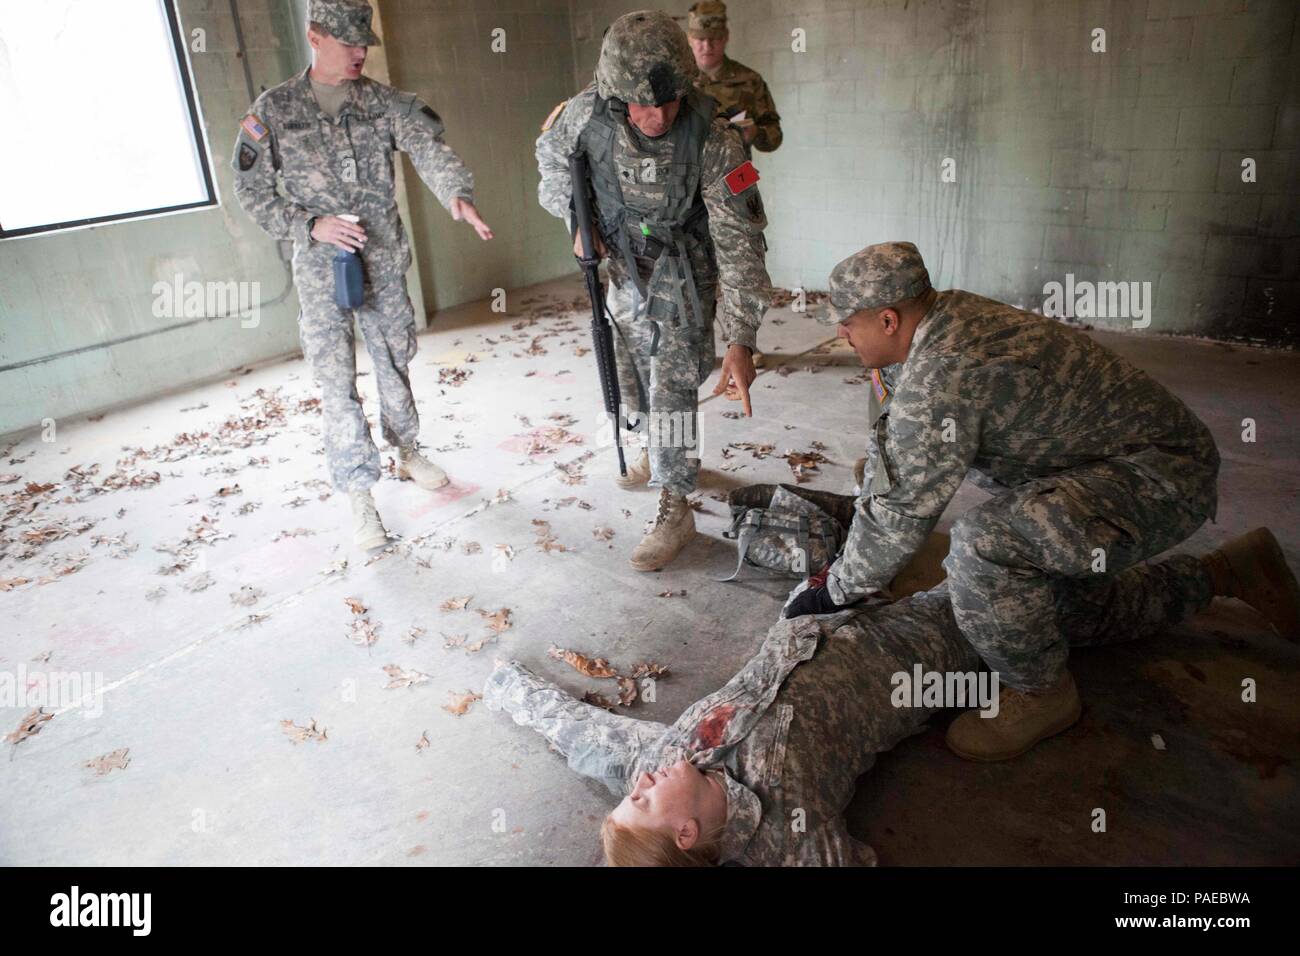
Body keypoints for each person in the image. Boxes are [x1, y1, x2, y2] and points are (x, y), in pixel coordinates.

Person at [485, 529, 1299, 865]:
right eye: (642, 805)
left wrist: (504, 684)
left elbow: (577, 730)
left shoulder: (664, 760)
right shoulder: (787, 826)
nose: (639, 783)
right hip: (930, 655)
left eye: (629, 797)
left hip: (827, 617)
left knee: (998, 574)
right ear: (691, 831)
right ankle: (1223, 571)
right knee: (1067, 612)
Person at [781, 241, 1248, 762]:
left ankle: (1043, 692)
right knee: (1038, 609)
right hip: (1098, 464)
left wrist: (836, 591)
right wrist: (865, 554)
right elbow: (890, 456)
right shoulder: (930, 325)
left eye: (847, 322)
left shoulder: (945, 370)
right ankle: (1226, 572)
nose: (839, 333)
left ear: (888, 319)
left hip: (1161, 474)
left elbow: (903, 507)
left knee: (987, 547)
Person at [232, 0, 493, 551]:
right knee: (335, 379)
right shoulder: (273, 109)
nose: (358, 53)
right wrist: (309, 224)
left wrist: (457, 195)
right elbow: (250, 190)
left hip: (381, 260)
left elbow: (429, 146)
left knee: (394, 358)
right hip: (321, 268)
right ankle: (359, 494)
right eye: (348, 43)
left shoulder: (383, 103)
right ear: (315, 36)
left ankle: (407, 449)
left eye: (364, 44)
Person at [535, 10, 771, 571]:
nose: (656, 115)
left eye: (667, 101)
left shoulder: (716, 141)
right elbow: (549, 163)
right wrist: (575, 220)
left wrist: (741, 338)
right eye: (641, 104)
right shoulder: (582, 116)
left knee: (671, 382)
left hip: (683, 272)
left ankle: (676, 500)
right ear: (614, 93)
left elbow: (742, 245)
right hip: (620, 266)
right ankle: (651, 446)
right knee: (629, 372)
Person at [686, 1, 783, 158]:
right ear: (689, 38)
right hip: (686, 177)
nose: (707, 46)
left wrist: (755, 132)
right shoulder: (677, 80)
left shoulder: (749, 80)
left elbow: (775, 137)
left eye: (715, 38)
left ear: (726, 37)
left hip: (736, 176)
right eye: (700, 39)